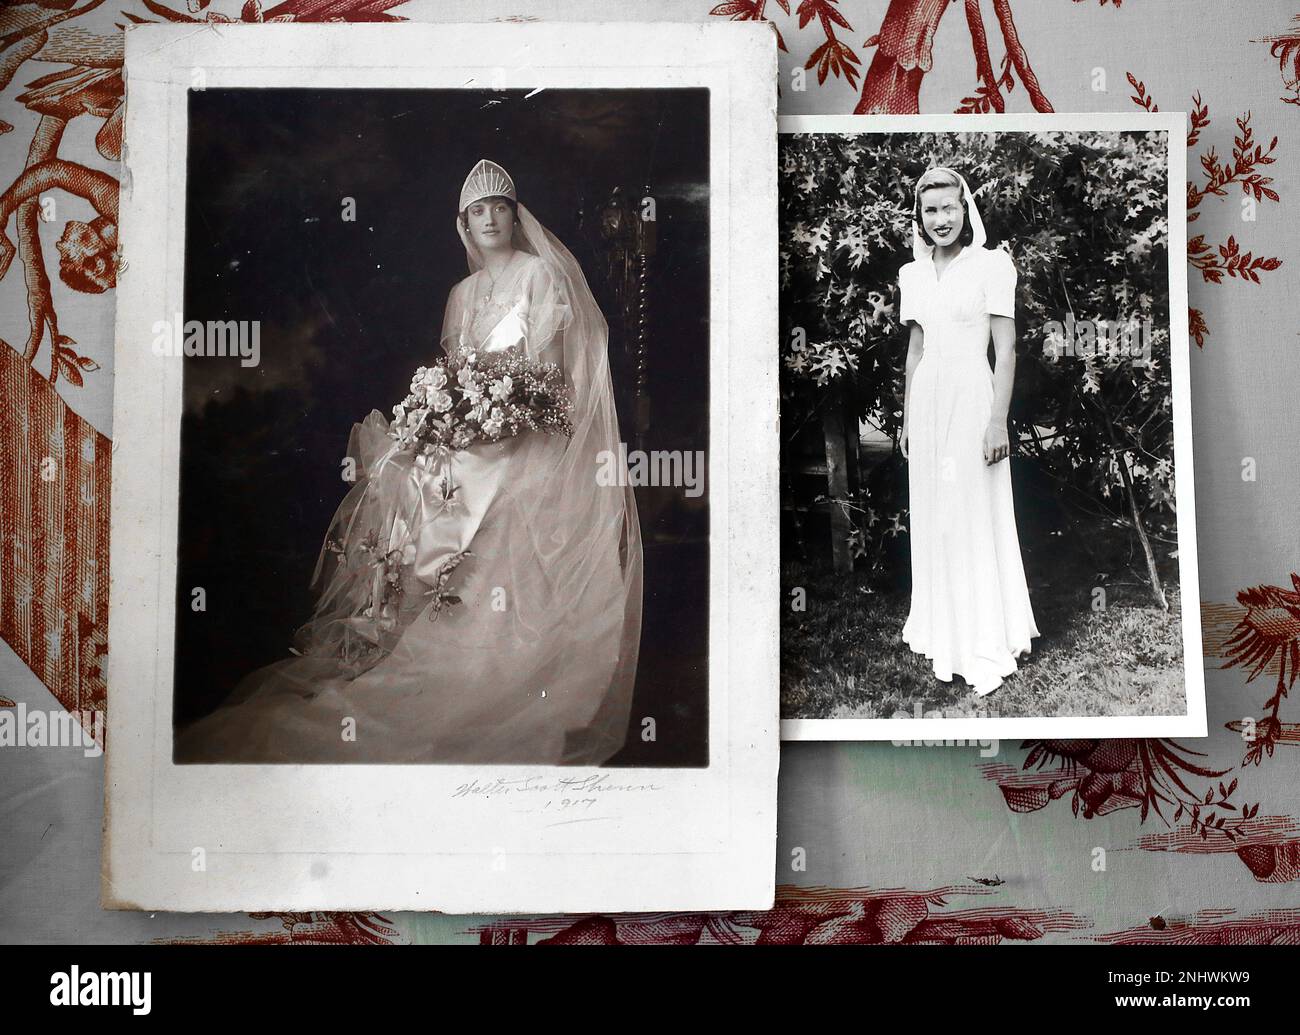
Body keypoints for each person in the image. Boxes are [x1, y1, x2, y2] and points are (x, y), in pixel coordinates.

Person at [176, 159, 644, 764]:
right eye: (478, 211)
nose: (490, 219)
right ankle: (419, 650)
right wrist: (450, 417)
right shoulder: (461, 295)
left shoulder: (537, 277)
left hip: (522, 442)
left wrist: (499, 414)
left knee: (489, 519)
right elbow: (455, 372)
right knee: (417, 486)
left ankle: (504, 670)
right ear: (464, 225)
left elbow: (550, 375)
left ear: (515, 215)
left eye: (499, 206)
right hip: (469, 438)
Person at [897, 166, 1039, 697]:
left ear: (965, 209)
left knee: (970, 511)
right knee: (937, 514)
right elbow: (914, 353)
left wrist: (997, 420)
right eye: (930, 210)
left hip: (973, 398)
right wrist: (908, 419)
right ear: (921, 217)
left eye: (949, 208)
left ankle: (982, 636)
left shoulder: (992, 265)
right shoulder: (912, 275)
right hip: (930, 401)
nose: (941, 219)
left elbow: (1006, 350)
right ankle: (942, 631)